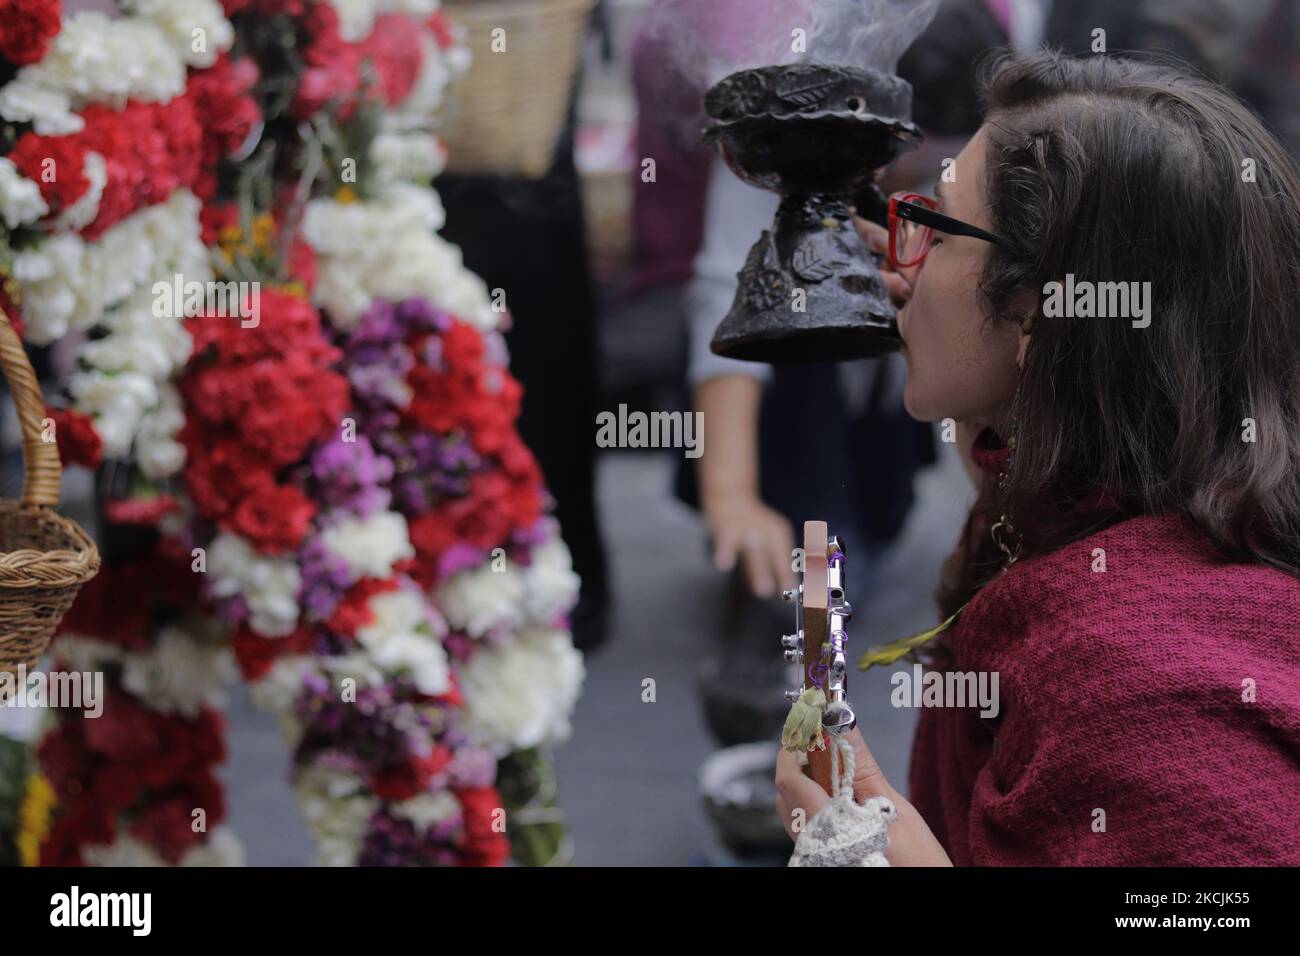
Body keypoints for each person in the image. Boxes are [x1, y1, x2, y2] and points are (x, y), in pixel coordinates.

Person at [776, 50, 1300, 865]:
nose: (897, 267)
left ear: (1032, 314)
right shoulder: (1123, 480)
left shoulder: (1140, 693)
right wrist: (957, 334)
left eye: (933, 226)